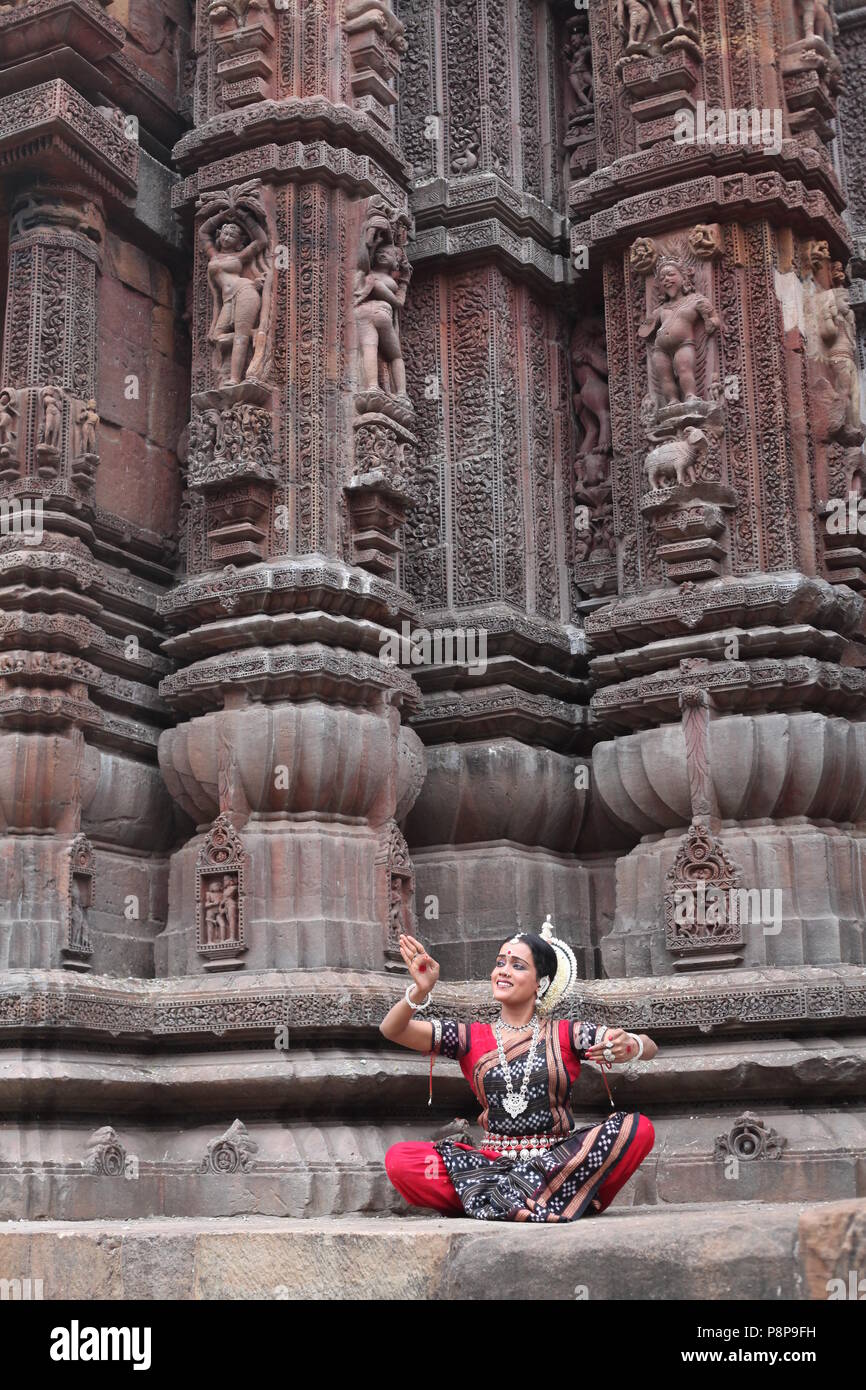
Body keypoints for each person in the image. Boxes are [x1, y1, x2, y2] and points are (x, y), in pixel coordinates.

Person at [380, 921, 657, 1222]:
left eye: (517, 965)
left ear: (541, 983)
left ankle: (496, 1203)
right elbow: (392, 1030)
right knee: (400, 1161)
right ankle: (538, 1201)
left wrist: (631, 1045)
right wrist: (419, 991)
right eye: (500, 963)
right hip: (491, 1166)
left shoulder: (565, 1034)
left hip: (555, 1163)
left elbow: (648, 1045)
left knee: (638, 1130)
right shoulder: (469, 1037)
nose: (503, 971)